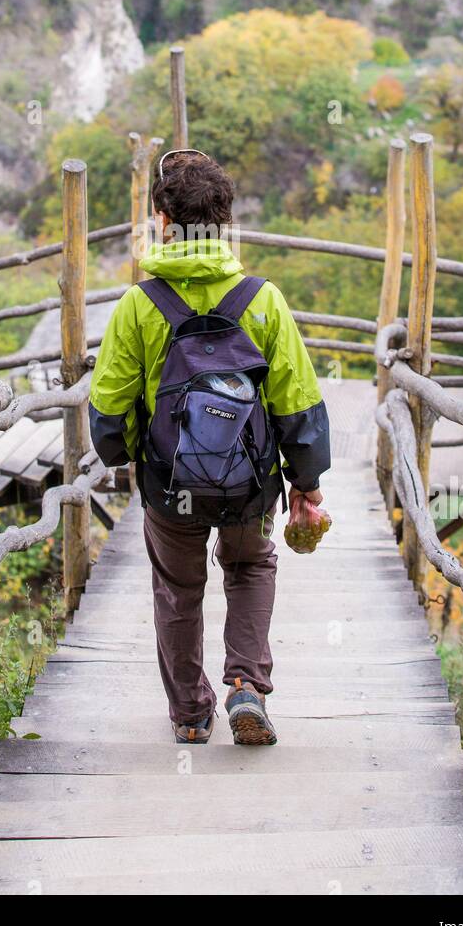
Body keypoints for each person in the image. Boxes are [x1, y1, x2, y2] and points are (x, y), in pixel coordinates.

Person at [89, 149, 330, 745]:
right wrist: (306, 480)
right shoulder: (263, 300)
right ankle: (246, 684)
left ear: (163, 222)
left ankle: (191, 717)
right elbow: (295, 399)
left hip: (172, 486)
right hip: (248, 484)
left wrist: (125, 459)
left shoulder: (139, 306)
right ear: (225, 221)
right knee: (249, 567)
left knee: (179, 588)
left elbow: (110, 410)